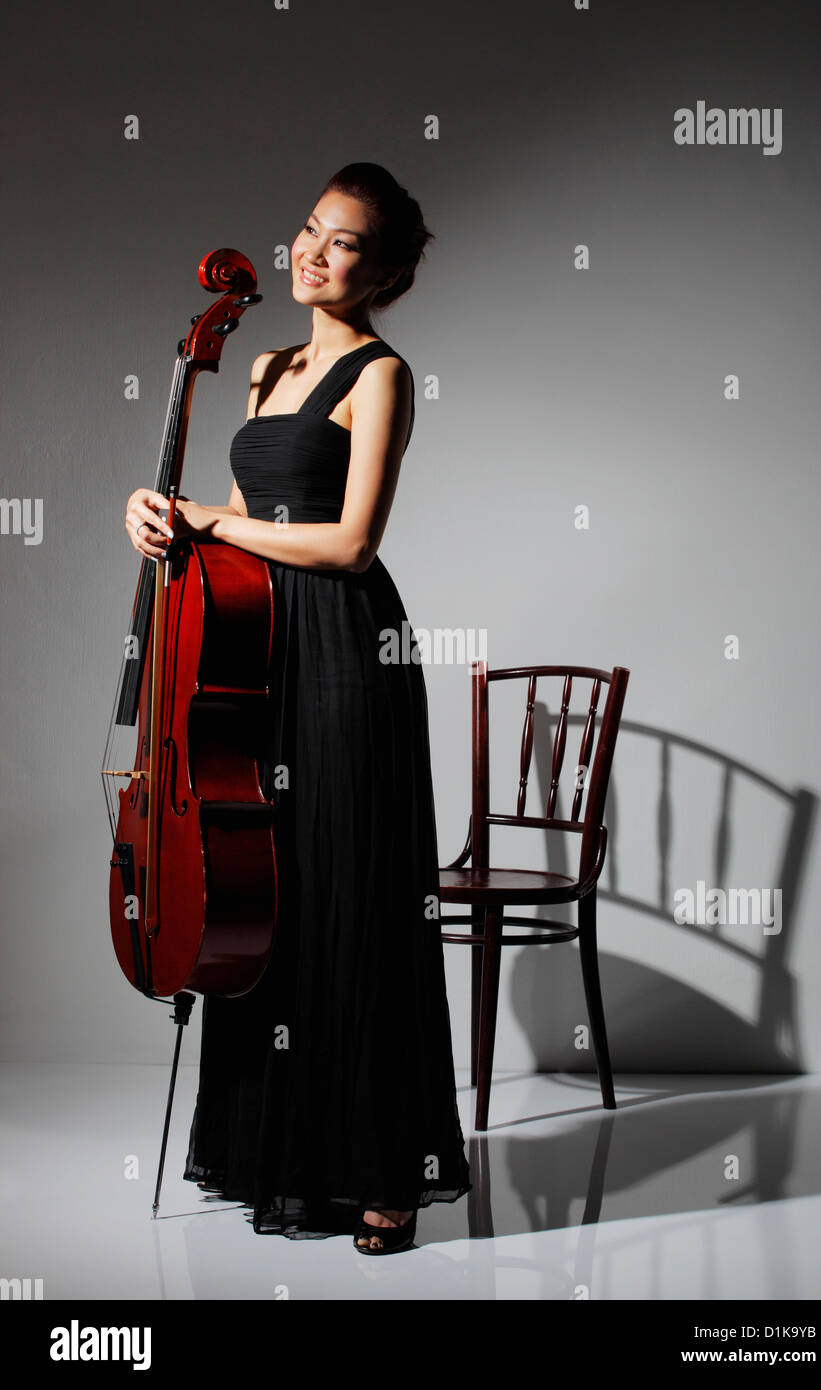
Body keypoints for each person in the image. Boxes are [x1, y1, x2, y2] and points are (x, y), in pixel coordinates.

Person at [124, 162, 472, 1255]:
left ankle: (387, 1172)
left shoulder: (382, 375)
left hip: (345, 647)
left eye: (346, 243)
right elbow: (240, 511)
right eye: (310, 231)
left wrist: (212, 524)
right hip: (258, 645)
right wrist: (163, 516)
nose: (314, 252)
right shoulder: (264, 364)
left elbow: (346, 541)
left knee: (356, 892)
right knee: (274, 891)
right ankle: (273, 1147)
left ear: (387, 272)